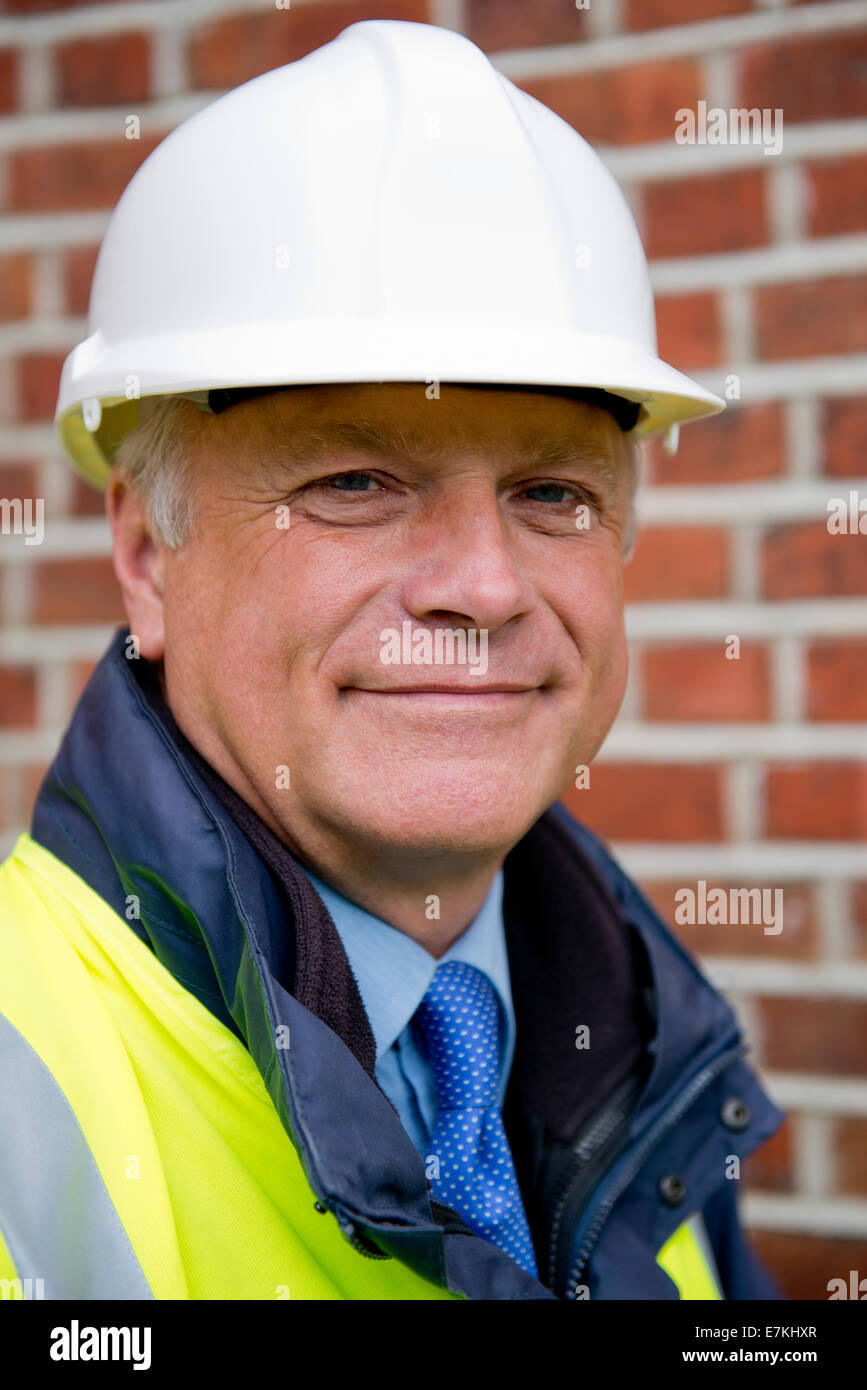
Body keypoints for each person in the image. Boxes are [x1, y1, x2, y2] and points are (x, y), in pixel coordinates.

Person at [0, 18, 784, 1301]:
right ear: (149, 559)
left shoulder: (650, 1055)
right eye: (356, 480)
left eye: (552, 493)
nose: (483, 584)